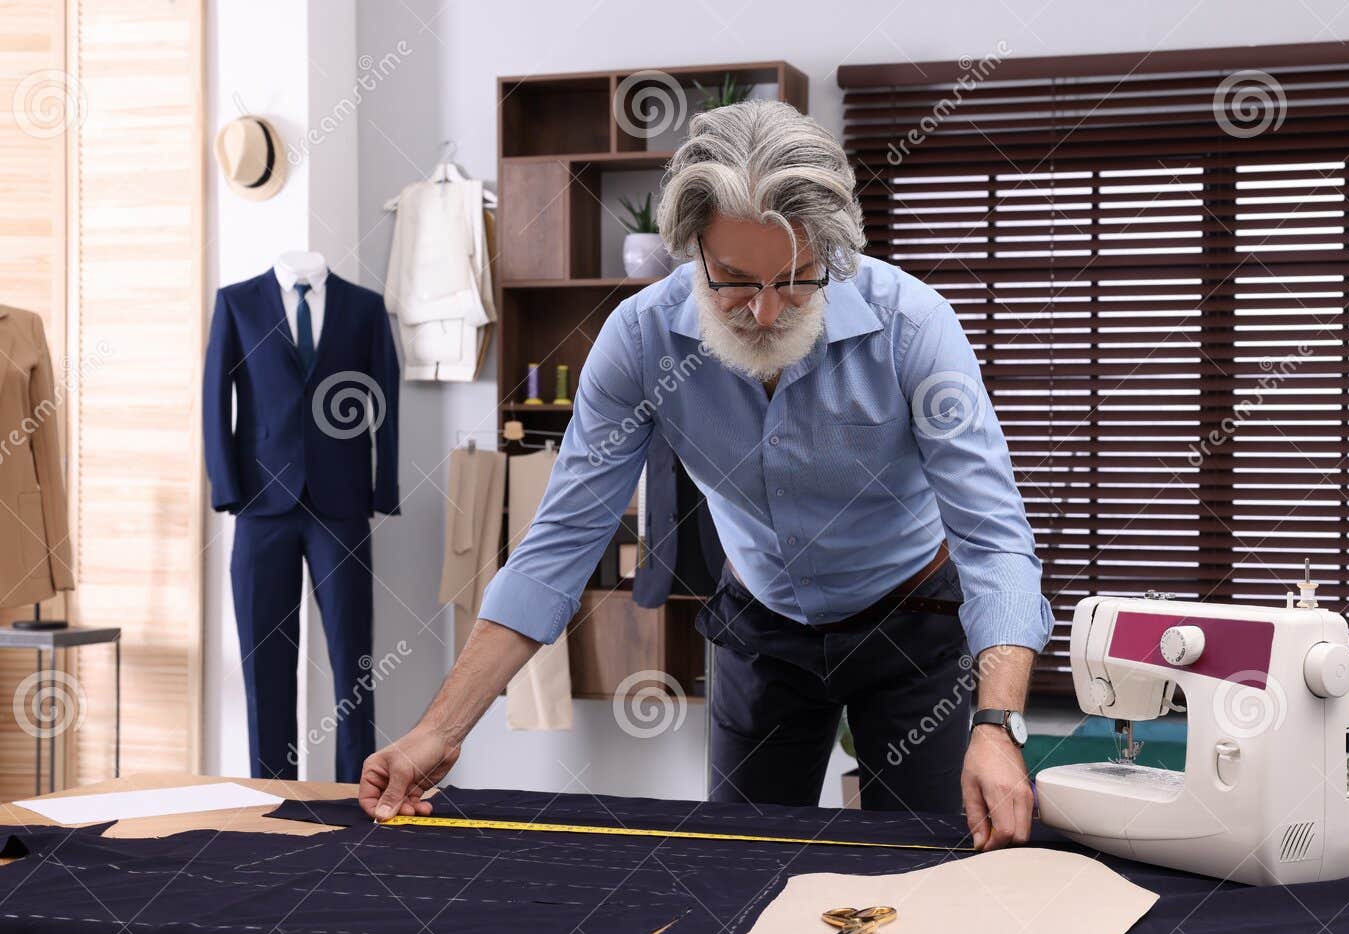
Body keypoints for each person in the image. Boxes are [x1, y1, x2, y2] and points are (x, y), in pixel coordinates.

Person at [359, 100, 1053, 850]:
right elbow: (557, 545)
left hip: (912, 620)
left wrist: (999, 722)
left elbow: (994, 539)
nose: (762, 311)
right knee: (738, 868)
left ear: (832, 248)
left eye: (795, 279)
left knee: (933, 865)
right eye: (731, 280)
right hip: (761, 627)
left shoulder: (913, 326)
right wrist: (440, 728)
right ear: (691, 250)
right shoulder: (641, 339)